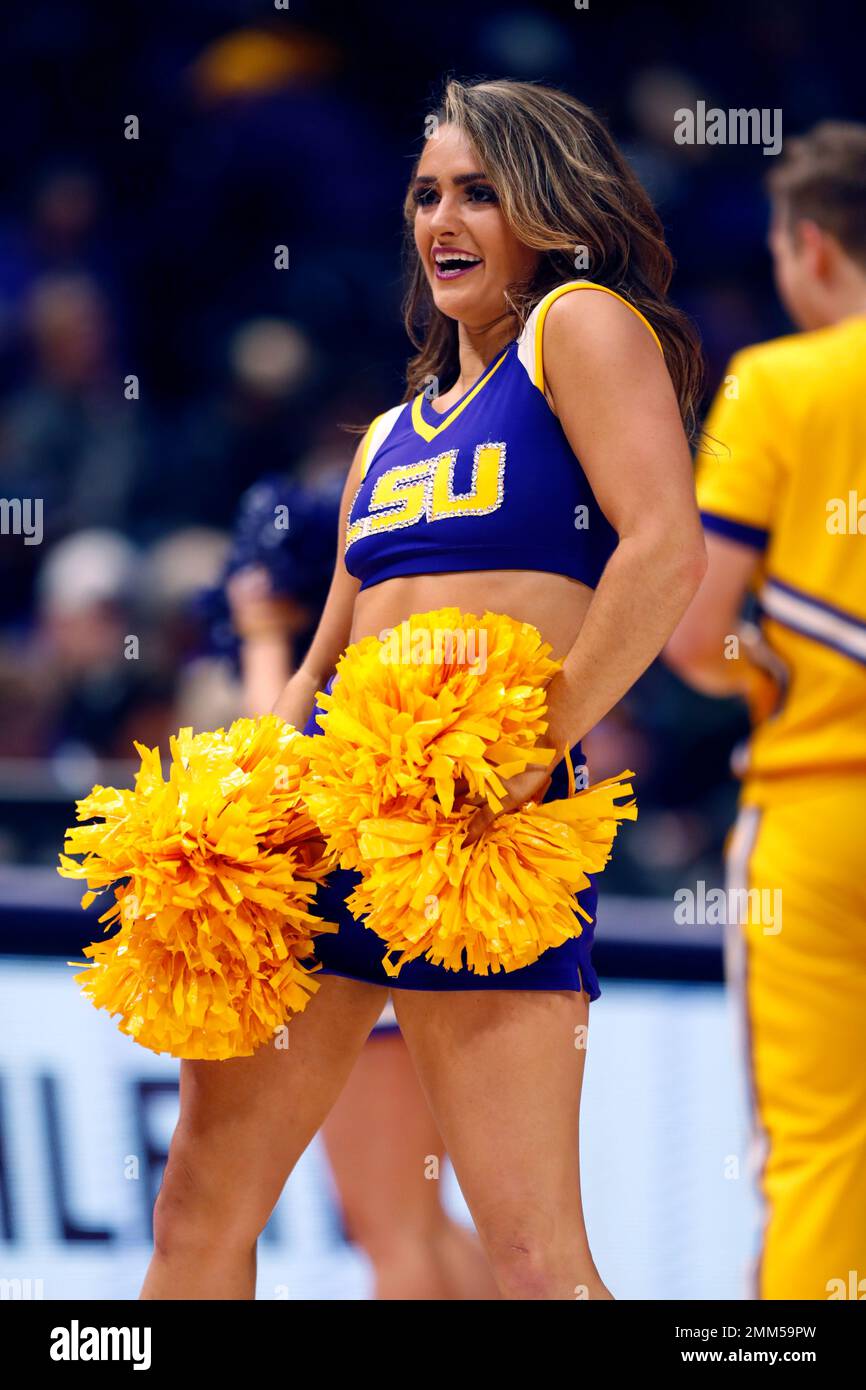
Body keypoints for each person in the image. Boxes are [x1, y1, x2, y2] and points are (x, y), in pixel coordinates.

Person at [142, 76, 705, 1302]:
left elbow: (664, 547)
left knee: (527, 1256)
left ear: (549, 211)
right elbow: (315, 664)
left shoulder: (580, 328)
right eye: (425, 194)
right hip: (334, 823)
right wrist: (246, 796)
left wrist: (545, 735)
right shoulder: (385, 437)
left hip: (478, 835)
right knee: (196, 1210)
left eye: (479, 193)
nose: (442, 218)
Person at [665, 121, 866, 1300]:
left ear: (808, 247)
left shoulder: (778, 381)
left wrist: (769, 668)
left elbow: (695, 631)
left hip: (818, 813)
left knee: (824, 1158)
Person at [219, 468, 497, 1299]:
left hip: (363, 929)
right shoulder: (399, 628)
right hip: (430, 909)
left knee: (393, 1228)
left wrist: (264, 638)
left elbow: (280, 765)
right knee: (423, 1220)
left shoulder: (330, 661)